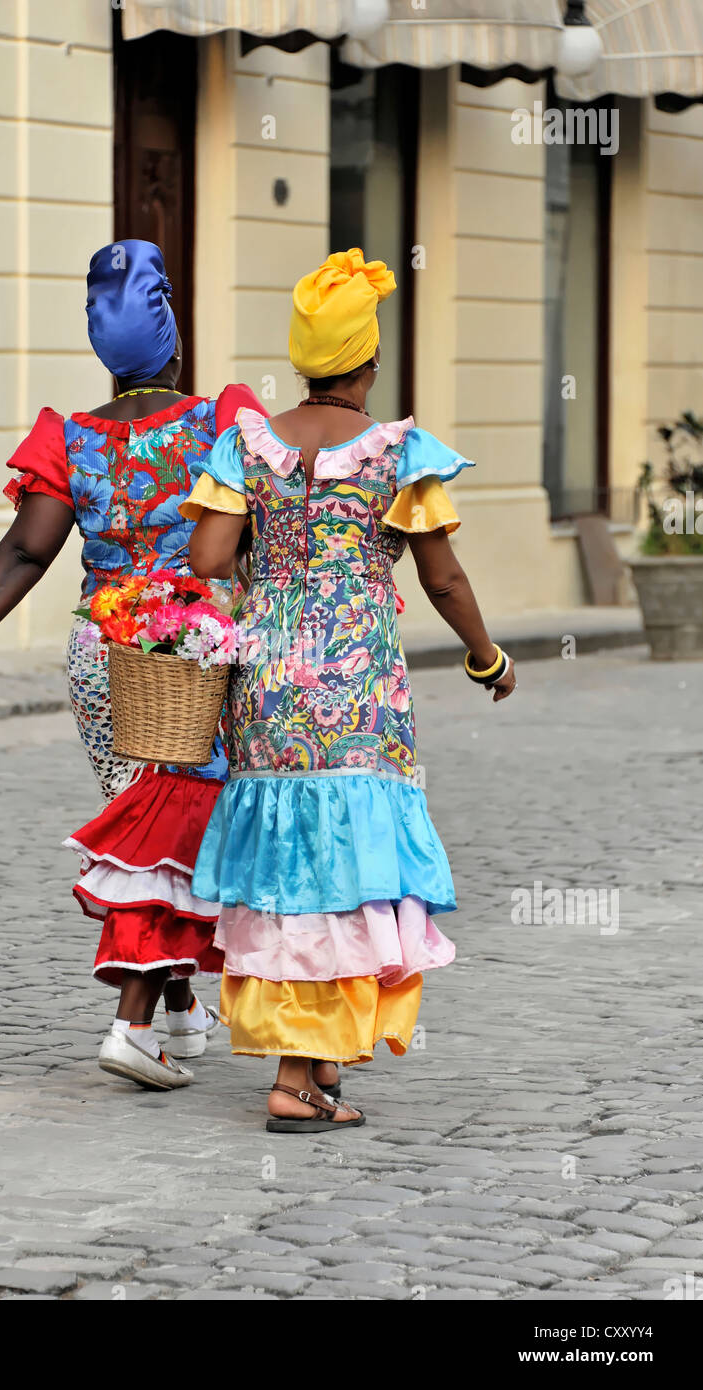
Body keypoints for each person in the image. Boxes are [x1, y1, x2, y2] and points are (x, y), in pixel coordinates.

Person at [182, 248, 516, 1132]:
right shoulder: (398, 452)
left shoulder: (246, 440)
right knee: (348, 864)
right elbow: (443, 580)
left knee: (292, 862)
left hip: (266, 675)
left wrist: (276, 553)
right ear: (367, 365)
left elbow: (208, 560)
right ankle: (298, 1076)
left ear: (303, 364)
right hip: (358, 679)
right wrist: (486, 656)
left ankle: (316, 1065)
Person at [0, 239, 262, 1093]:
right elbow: (263, 529)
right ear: (173, 334)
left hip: (105, 654)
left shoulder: (69, 439)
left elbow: (25, 550)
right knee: (173, 830)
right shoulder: (218, 423)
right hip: (194, 652)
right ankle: (135, 1027)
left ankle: (182, 1012)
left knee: (147, 819)